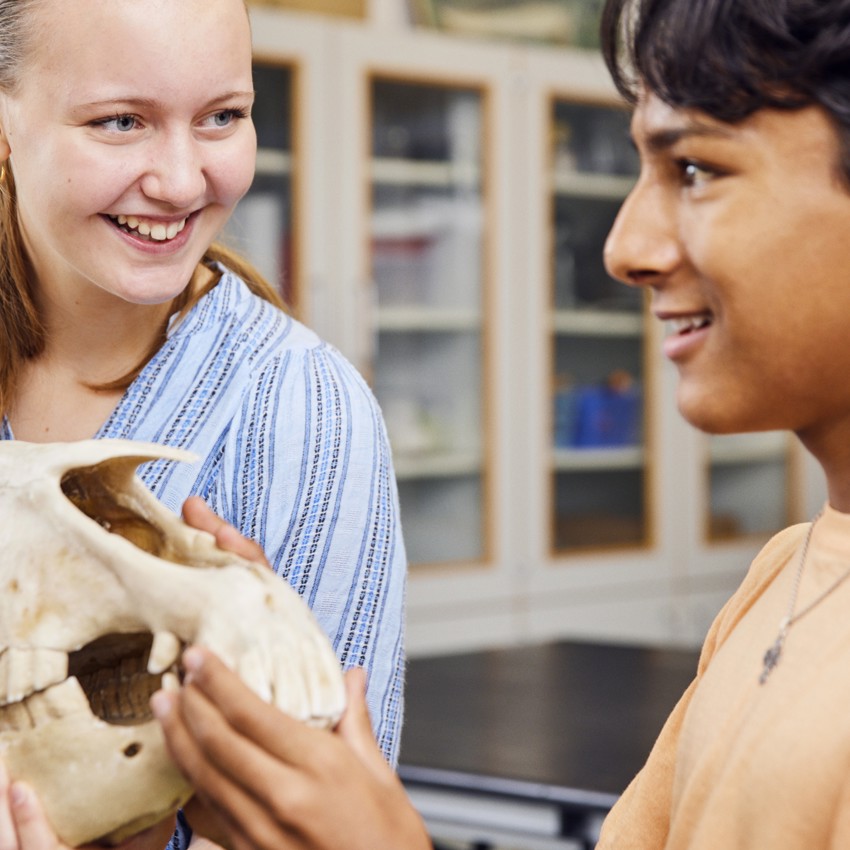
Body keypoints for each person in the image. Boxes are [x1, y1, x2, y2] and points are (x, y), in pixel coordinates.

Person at [9, 0, 850, 848]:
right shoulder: (776, 586)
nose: (623, 248)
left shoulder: (297, 403)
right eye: (121, 121)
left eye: (696, 170)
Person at [0, 0, 406, 848]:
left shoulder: (306, 410)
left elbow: (328, 821)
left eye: (223, 117)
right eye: (121, 122)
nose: (183, 183)